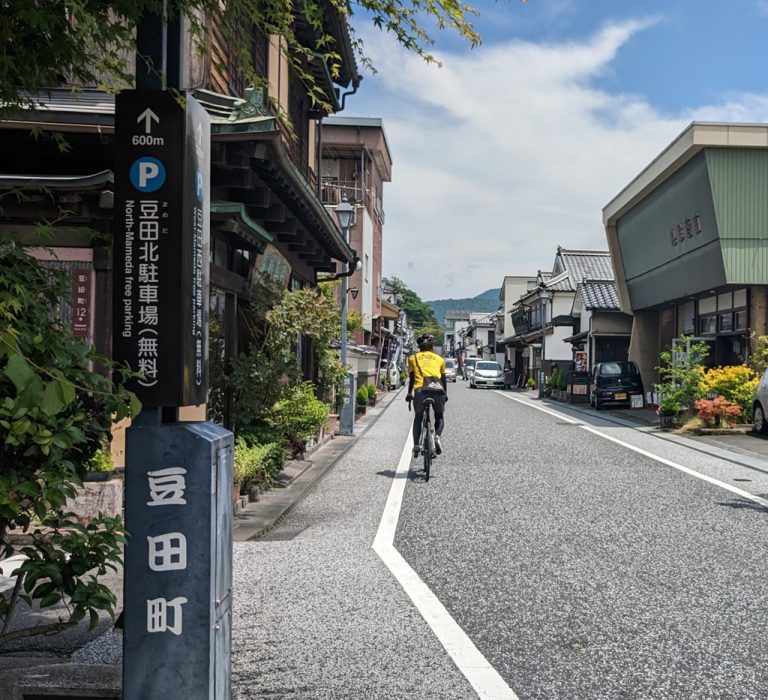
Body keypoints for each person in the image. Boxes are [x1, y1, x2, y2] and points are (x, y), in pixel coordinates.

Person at [406, 333, 447, 458]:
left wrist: (409, 393)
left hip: (420, 390)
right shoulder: (440, 359)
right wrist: (445, 394)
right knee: (439, 416)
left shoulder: (413, 358)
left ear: (419, 346)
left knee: (418, 417)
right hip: (438, 390)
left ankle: (416, 446)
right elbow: (443, 380)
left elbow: (412, 379)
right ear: (432, 346)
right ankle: (437, 437)